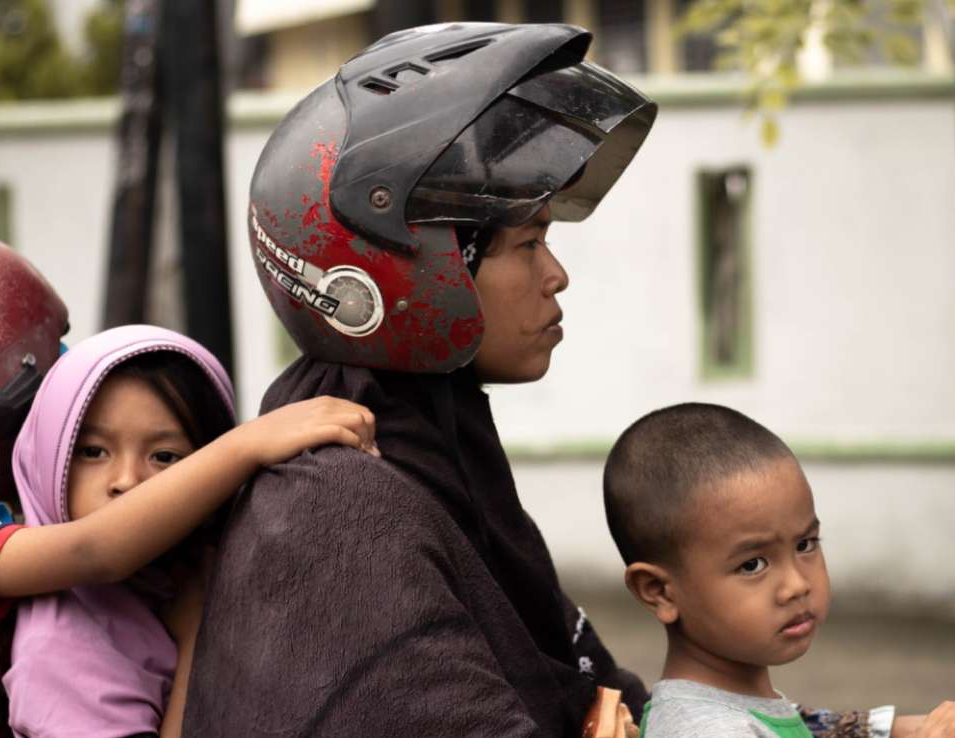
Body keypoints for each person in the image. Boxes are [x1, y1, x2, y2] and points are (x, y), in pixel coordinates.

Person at [185, 22, 863, 738]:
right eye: (529, 243)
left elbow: (598, 689)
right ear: (406, 269)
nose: (556, 275)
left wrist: (864, 731)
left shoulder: (438, 449)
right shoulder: (339, 514)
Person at [0, 325, 376, 738]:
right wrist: (249, 444)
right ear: (44, 448)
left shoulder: (151, 589)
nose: (127, 482)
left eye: (167, 456)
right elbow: (94, 550)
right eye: (92, 450)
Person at [602, 403, 955, 738]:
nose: (796, 585)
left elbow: (805, 722)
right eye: (752, 564)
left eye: (805, 545)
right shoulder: (704, 730)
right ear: (660, 591)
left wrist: (899, 728)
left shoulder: (742, 701)